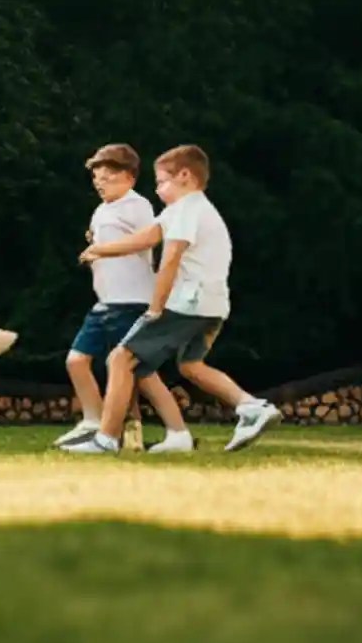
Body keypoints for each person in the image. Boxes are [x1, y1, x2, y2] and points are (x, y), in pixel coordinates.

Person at [65, 144, 281, 454]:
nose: (157, 188)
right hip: (213, 305)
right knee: (192, 366)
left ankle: (106, 439)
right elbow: (146, 238)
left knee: (120, 358)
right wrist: (100, 249)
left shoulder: (187, 210)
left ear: (185, 176)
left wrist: (155, 307)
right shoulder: (186, 210)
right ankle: (250, 408)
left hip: (188, 303)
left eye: (162, 181)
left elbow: (169, 260)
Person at [55, 144, 195, 453]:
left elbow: (145, 240)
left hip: (131, 301)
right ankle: (92, 420)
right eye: (96, 177)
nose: (100, 182)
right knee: (77, 361)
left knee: (141, 373)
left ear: (129, 177)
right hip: (105, 302)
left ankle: (178, 432)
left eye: (107, 176)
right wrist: (95, 243)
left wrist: (102, 248)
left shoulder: (137, 205)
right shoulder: (102, 210)